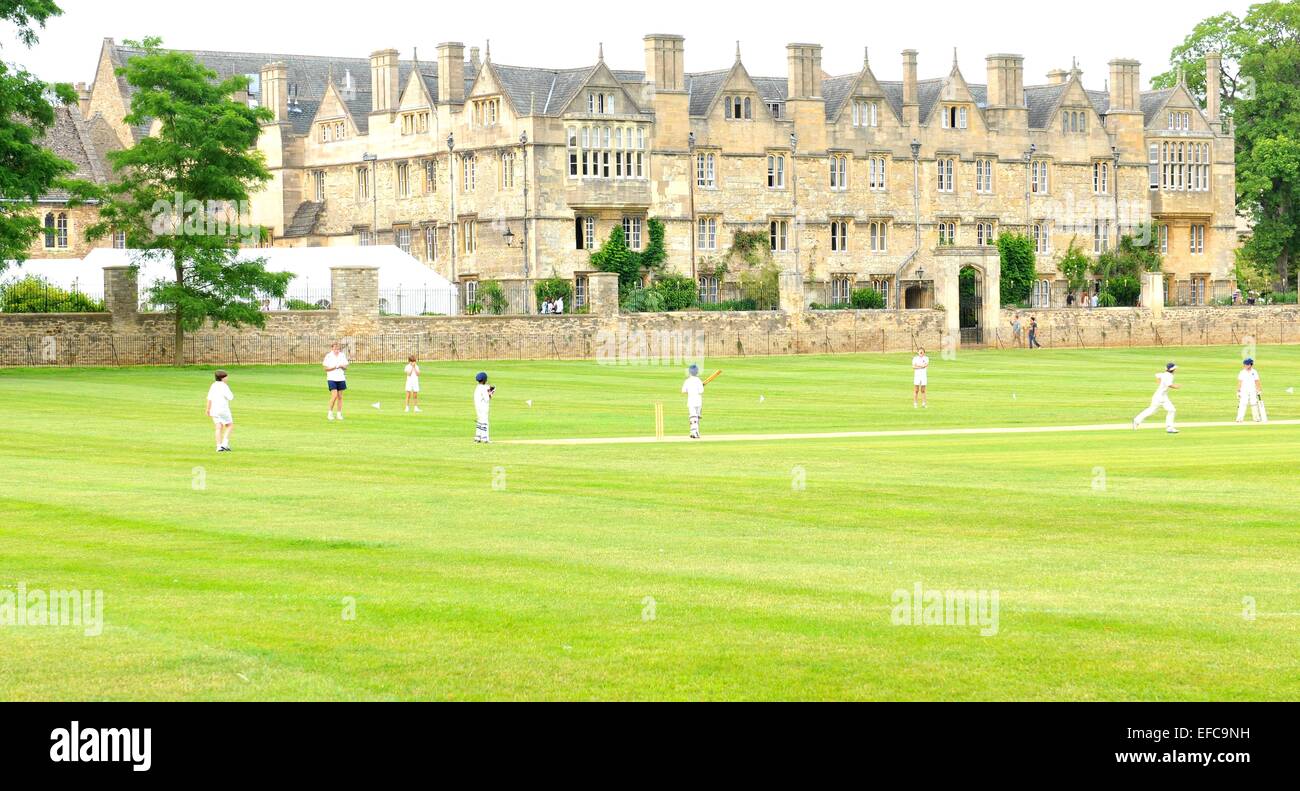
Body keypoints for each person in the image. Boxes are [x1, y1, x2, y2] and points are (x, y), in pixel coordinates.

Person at [1134, 362, 1180, 434]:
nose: (1176, 370)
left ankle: (1169, 427)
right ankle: (1137, 420)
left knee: (1172, 410)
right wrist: (1176, 387)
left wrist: (1159, 383)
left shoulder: (1164, 374)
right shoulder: (1169, 376)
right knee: (1152, 410)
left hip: (1163, 396)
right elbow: (1169, 385)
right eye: (1175, 369)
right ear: (1173, 370)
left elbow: (1157, 375)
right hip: (1159, 397)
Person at [206, 370, 235, 453]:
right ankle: (225, 443)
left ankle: (218, 446)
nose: (227, 378)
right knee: (229, 425)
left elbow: (209, 398)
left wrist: (208, 409)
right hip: (223, 409)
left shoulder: (213, 385)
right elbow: (231, 397)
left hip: (214, 409)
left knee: (218, 427)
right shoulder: (224, 386)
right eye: (226, 376)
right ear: (222, 378)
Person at [324, 342, 349, 421]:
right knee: (334, 396)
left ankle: (339, 414)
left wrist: (341, 366)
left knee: (340, 397)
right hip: (331, 378)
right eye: (335, 349)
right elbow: (325, 368)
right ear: (332, 349)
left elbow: (346, 367)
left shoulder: (342, 355)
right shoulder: (328, 356)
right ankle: (330, 413)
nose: (336, 350)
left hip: (341, 378)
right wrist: (334, 367)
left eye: (338, 349)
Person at [1236, 358, 1265, 423]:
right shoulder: (1242, 372)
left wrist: (1259, 390)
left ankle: (1256, 418)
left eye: (1246, 364)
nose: (1245, 366)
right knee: (1243, 404)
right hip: (1244, 390)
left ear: (1250, 364)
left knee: (1254, 403)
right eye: (1244, 364)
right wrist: (1238, 391)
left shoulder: (1254, 372)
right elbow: (1240, 382)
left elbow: (1257, 381)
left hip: (1253, 390)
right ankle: (1239, 418)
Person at [682, 364, 705, 439]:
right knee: (696, 417)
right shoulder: (698, 380)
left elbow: (684, 391)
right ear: (697, 372)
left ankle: (693, 432)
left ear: (689, 372)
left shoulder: (687, 381)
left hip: (691, 401)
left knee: (693, 417)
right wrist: (700, 385)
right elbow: (701, 391)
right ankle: (695, 432)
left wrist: (690, 390)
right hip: (698, 401)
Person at [474, 372, 495, 443]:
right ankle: (485, 439)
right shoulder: (483, 388)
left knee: (479, 421)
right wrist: (492, 392)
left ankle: (477, 438)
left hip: (478, 407)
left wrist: (489, 389)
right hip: (483, 407)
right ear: (484, 380)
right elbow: (487, 398)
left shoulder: (478, 387)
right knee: (485, 422)